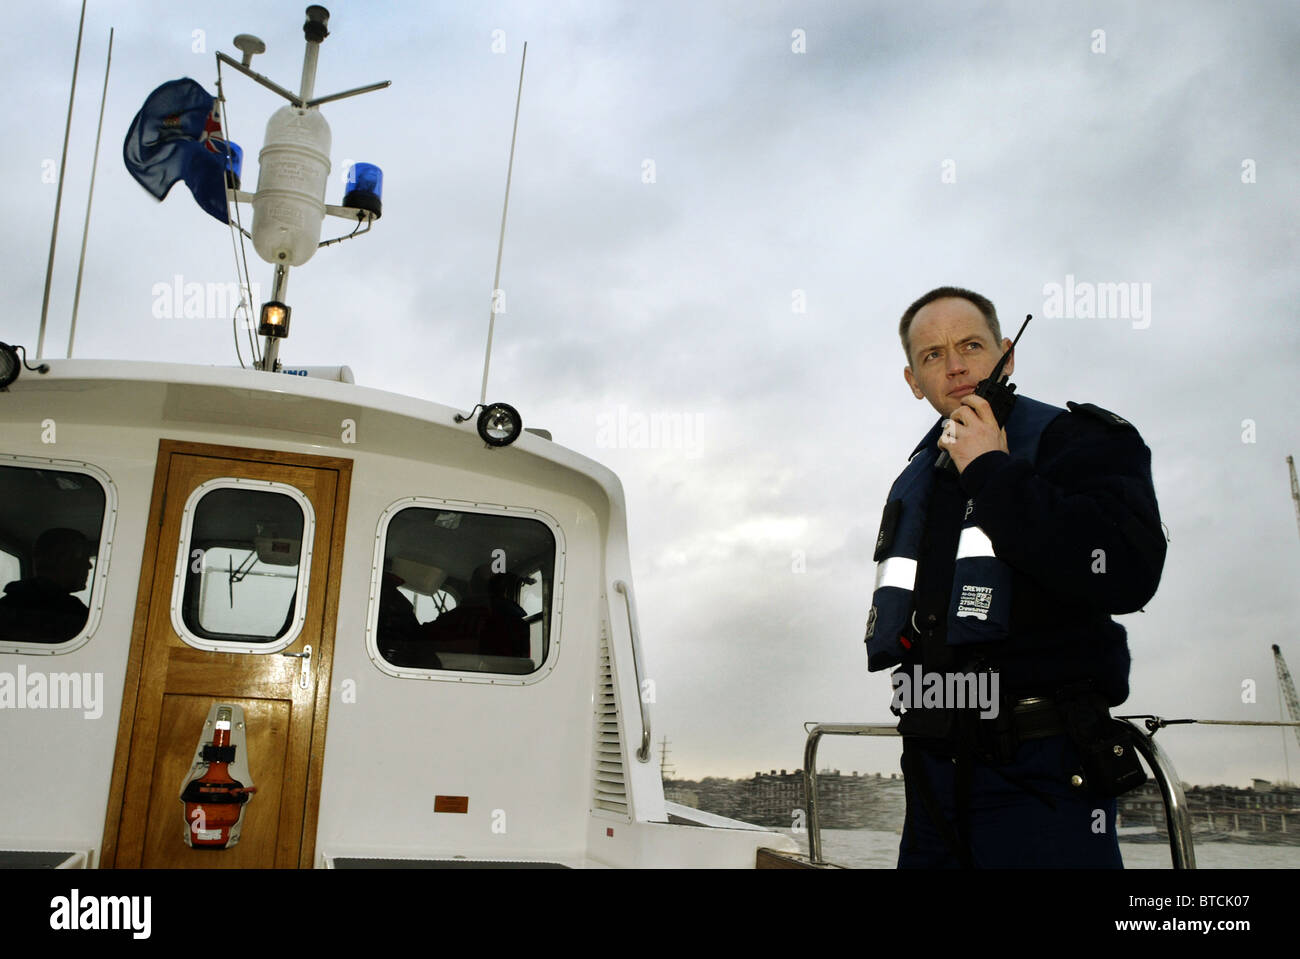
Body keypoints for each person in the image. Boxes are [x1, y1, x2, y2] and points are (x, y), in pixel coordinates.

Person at [864, 286, 1166, 868]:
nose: (954, 365)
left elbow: (1128, 573)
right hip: (929, 772)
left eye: (971, 345)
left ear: (1007, 353)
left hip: (1042, 771)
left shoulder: (1079, 440)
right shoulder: (917, 477)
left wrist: (992, 471)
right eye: (932, 355)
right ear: (912, 380)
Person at [0, 527, 93, 643]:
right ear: (62, 560)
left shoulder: (7, 604)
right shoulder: (70, 612)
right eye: (84, 558)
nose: (90, 566)